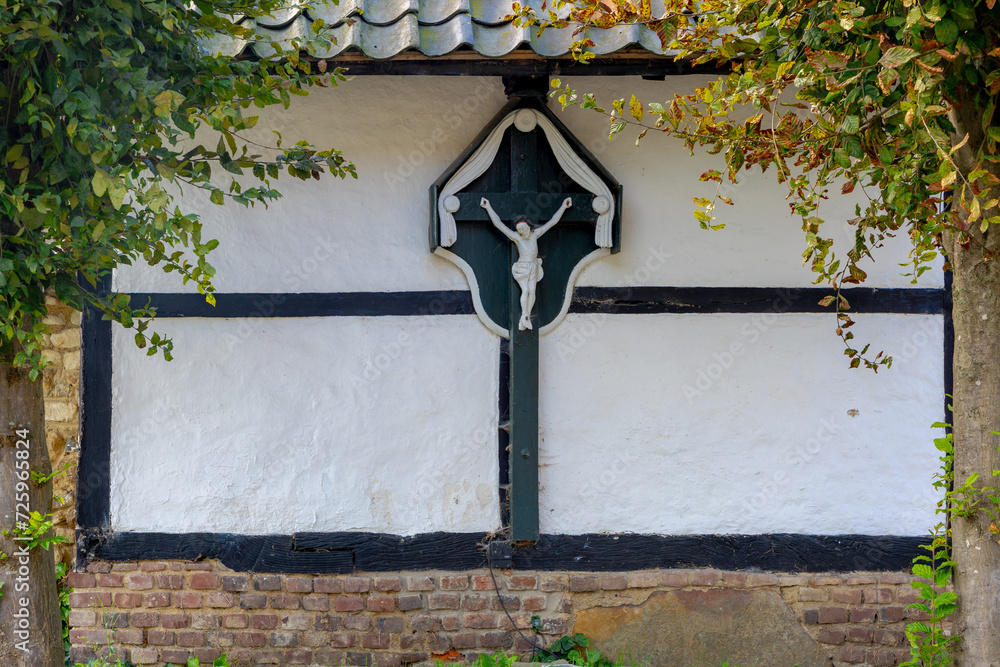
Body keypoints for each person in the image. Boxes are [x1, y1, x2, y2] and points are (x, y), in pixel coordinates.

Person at [480, 196, 572, 330]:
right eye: (520, 230)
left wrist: (564, 206)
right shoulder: (517, 238)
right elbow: (498, 224)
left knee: (533, 290)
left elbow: (552, 222)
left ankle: (526, 316)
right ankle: (525, 315)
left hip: (533, 265)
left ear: (529, 226)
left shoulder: (535, 234)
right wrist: (488, 207)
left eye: (524, 229)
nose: (523, 232)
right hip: (522, 267)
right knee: (526, 290)